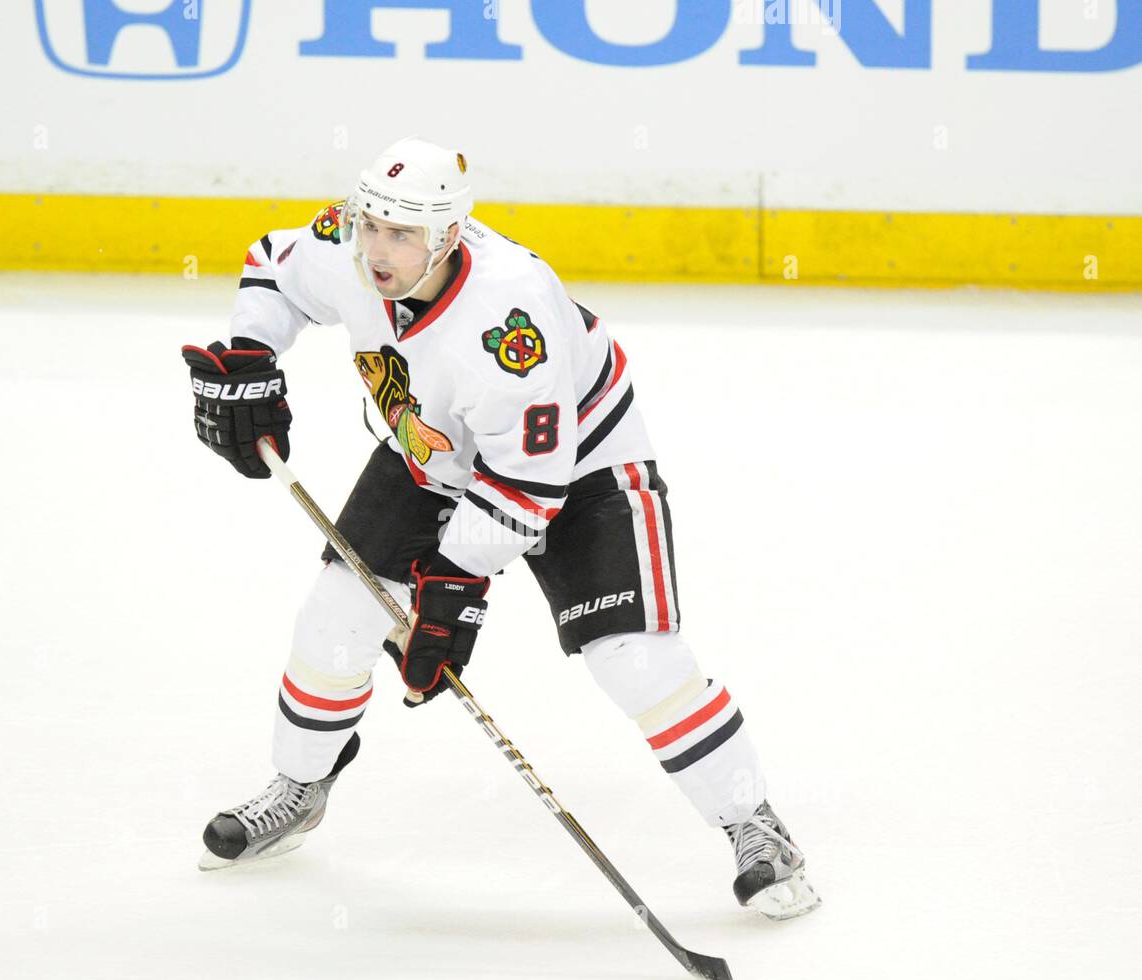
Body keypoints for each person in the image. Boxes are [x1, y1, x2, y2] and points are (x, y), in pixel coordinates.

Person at [181, 137, 820, 920]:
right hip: (435, 452)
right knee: (335, 619)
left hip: (580, 465)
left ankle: (756, 824)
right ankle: (300, 785)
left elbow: (529, 482)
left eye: (401, 234)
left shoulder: (508, 317)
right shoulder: (348, 245)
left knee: (633, 659)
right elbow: (273, 267)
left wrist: (450, 586)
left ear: (449, 235)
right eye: (371, 225)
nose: (376, 249)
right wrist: (251, 352)